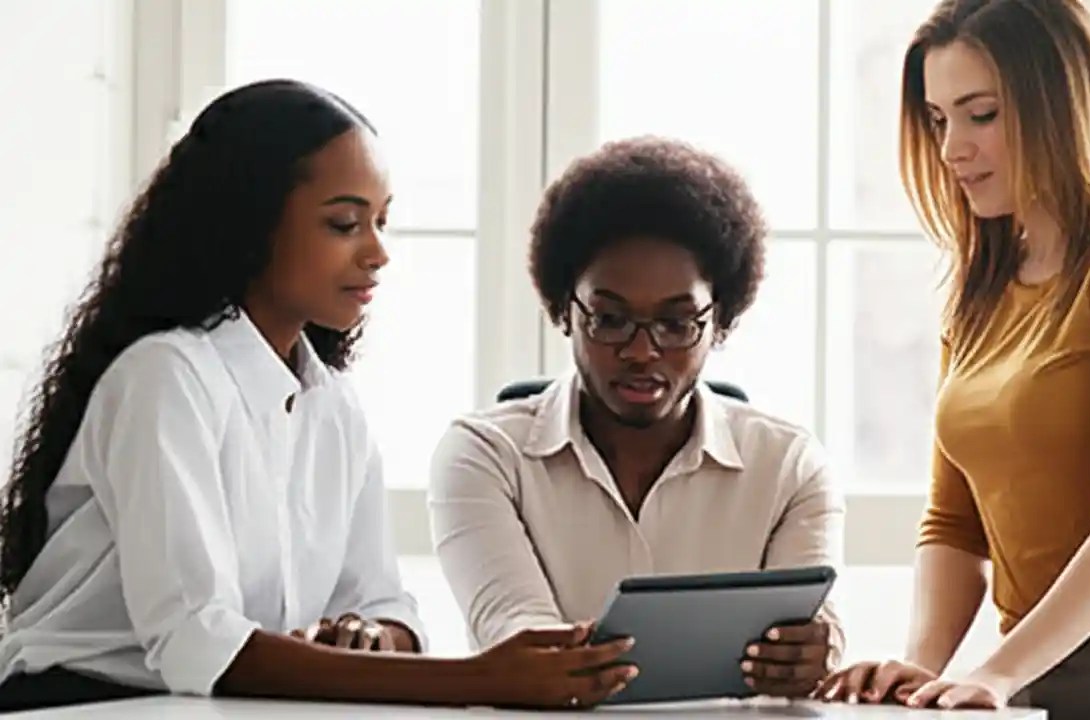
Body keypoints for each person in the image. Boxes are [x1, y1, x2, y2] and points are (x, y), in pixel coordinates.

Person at [0, 79, 635, 712]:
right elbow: (196, 640)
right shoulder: (165, 377)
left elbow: (388, 604)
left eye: (381, 222)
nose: (379, 253)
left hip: (214, 705)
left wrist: (370, 638)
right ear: (247, 224)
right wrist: (478, 679)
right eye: (344, 223)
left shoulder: (332, 406)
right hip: (78, 702)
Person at [818, 1, 1090, 718]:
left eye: (980, 114)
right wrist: (922, 665)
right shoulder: (978, 286)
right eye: (938, 120)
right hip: (1026, 681)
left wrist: (995, 671)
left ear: (1062, 105)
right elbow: (953, 525)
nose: (952, 147)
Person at [428, 137, 845, 699]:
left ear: (718, 320)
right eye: (610, 318)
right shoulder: (484, 456)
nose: (643, 352)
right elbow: (526, 646)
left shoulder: (788, 465)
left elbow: (817, 638)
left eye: (676, 324)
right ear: (563, 310)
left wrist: (811, 654)